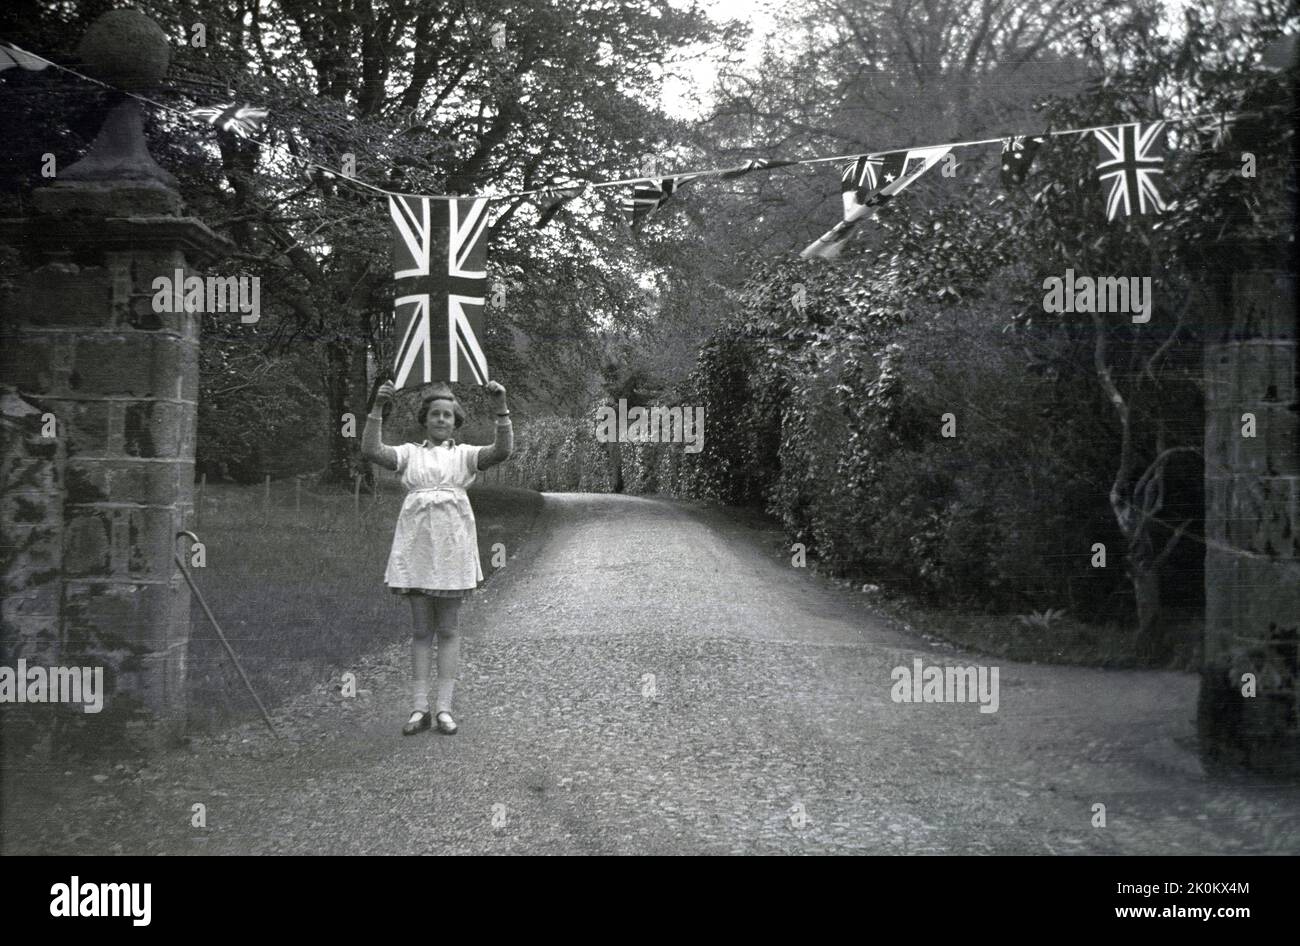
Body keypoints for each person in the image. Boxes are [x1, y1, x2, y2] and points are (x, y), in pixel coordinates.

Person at [361, 378, 513, 735]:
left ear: (455, 421)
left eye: (447, 415)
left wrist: (500, 407)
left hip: (452, 549)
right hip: (416, 548)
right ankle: (418, 708)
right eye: (435, 414)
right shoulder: (409, 455)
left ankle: (444, 708)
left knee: (448, 628)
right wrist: (377, 409)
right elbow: (372, 451)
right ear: (424, 419)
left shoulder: (464, 456)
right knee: (420, 630)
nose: (441, 419)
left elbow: (501, 451)